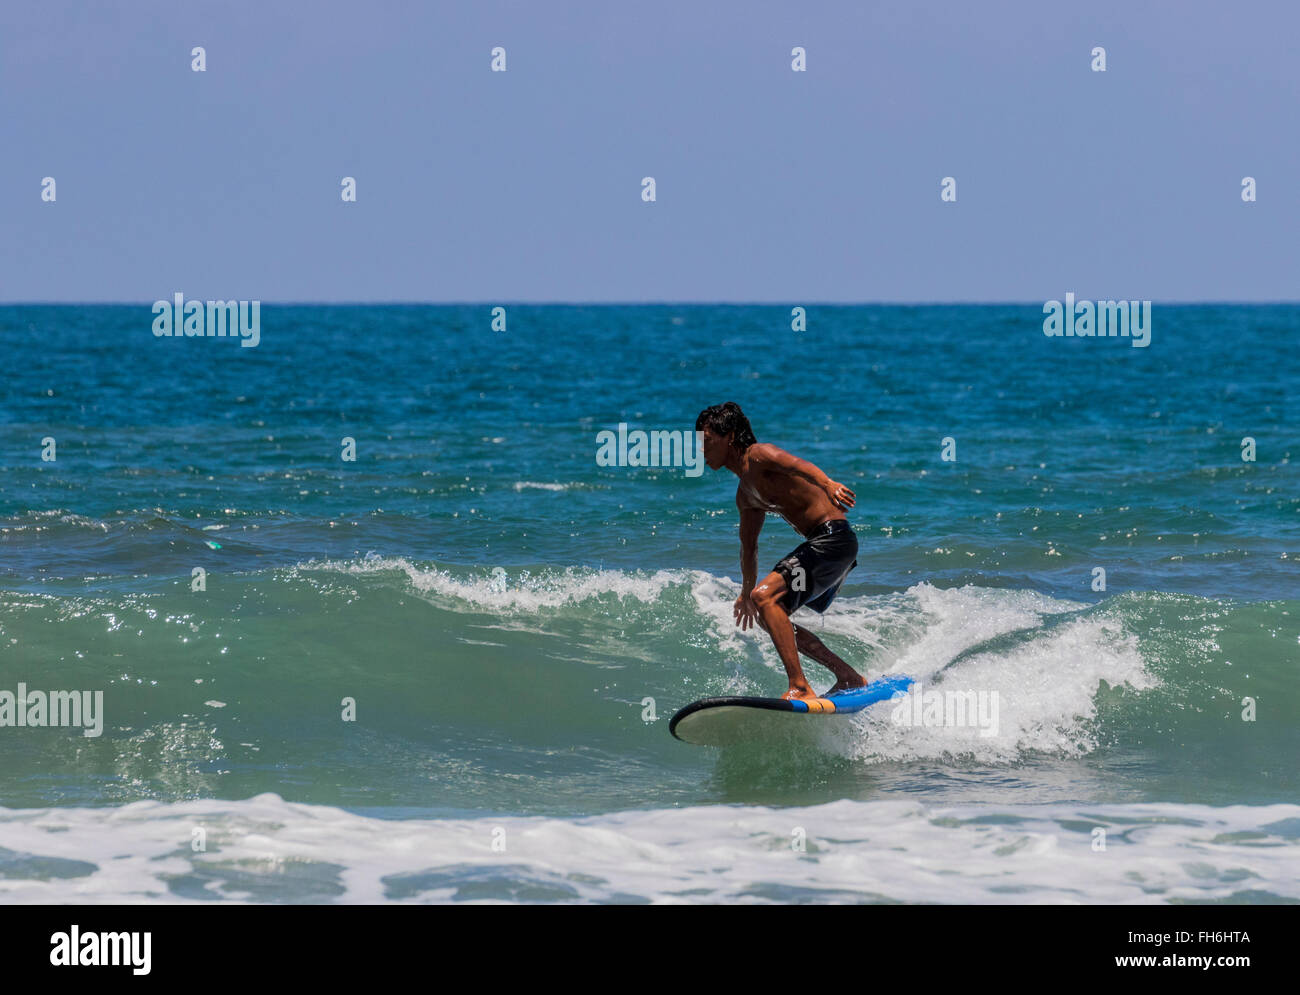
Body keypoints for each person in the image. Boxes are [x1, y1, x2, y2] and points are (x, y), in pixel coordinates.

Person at [696, 401, 867, 701]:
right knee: (768, 612)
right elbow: (748, 548)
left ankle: (800, 686)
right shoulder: (745, 494)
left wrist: (828, 484)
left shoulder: (759, 455)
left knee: (766, 595)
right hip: (825, 546)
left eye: (706, 441)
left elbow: (797, 464)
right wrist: (745, 593)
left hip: (834, 539)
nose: (700, 449)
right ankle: (849, 676)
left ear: (730, 437)